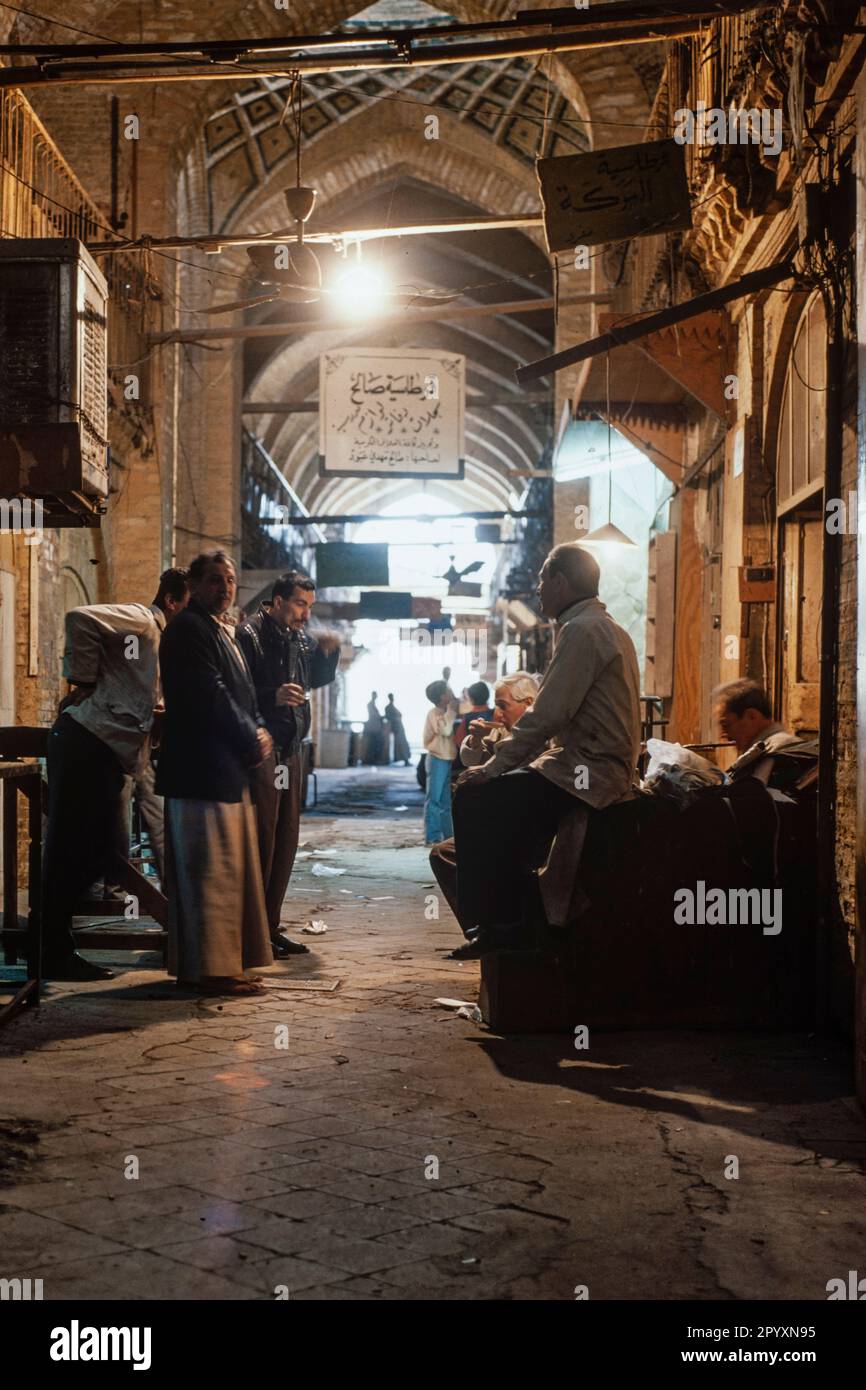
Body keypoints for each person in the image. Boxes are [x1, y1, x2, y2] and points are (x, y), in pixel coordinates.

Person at [453, 542, 641, 954]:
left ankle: (499, 926)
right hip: (583, 763)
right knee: (505, 803)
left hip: (591, 770)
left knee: (476, 797)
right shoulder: (600, 627)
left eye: (542, 580)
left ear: (559, 581)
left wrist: (493, 767)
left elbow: (547, 715)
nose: (537, 589)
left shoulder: (583, 631)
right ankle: (513, 918)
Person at [40, 568, 190, 980]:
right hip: (84, 742)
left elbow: (133, 689)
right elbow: (80, 617)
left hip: (102, 750)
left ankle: (53, 948)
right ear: (173, 601)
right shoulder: (142, 621)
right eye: (189, 608)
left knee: (90, 853)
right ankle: (51, 950)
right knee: (77, 854)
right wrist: (83, 678)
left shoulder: (154, 643)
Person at [156, 550, 273, 997]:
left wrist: (257, 727)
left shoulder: (217, 630)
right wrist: (251, 735)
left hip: (223, 770)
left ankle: (217, 966)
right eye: (214, 581)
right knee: (212, 876)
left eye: (229, 580)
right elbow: (211, 694)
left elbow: (242, 693)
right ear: (195, 585)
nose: (224, 588)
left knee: (225, 871)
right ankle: (213, 971)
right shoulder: (188, 629)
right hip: (202, 770)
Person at [236, 571, 340, 958]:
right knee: (263, 837)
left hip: (292, 748)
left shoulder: (298, 640)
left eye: (309, 607)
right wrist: (271, 696)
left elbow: (315, 681)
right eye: (299, 604)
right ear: (277, 600)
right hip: (263, 748)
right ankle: (252, 931)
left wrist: (329, 655)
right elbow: (234, 691)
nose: (305, 615)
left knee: (286, 837)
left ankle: (271, 925)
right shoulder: (249, 635)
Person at [429, 672, 538, 956]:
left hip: (526, 827)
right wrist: (477, 740)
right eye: (497, 705)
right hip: (498, 825)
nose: (498, 713)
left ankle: (498, 930)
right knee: (442, 853)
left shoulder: (539, 733)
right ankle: (480, 929)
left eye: (504, 705)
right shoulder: (500, 729)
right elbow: (470, 760)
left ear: (528, 703)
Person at [713, 679, 800, 784]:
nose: (722, 735)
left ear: (752, 716)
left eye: (726, 725)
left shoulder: (780, 749)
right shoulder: (758, 752)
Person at [422, 679, 457, 844]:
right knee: (434, 800)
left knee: (445, 802)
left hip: (447, 758)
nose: (451, 692)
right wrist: (450, 712)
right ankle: (433, 837)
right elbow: (446, 730)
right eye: (448, 690)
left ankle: (449, 838)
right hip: (436, 758)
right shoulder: (435, 713)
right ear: (442, 696)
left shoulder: (446, 711)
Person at [452, 681, 494, 751]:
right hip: (493, 755)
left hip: (473, 757)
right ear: (487, 695)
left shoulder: (467, 717)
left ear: (471, 699)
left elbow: (459, 741)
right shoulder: (495, 714)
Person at [384, 693, 411, 765]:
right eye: (391, 697)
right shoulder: (388, 707)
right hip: (396, 728)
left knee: (403, 743)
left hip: (399, 727)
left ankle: (406, 760)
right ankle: (405, 760)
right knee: (401, 744)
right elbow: (388, 717)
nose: (392, 698)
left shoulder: (393, 707)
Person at [363, 691, 385, 765]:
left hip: (375, 727)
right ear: (372, 696)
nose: (375, 697)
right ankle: (371, 760)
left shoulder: (373, 704)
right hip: (373, 727)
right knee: (373, 744)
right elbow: (373, 715)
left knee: (375, 744)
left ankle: (374, 759)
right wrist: (381, 717)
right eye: (374, 695)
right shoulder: (370, 704)